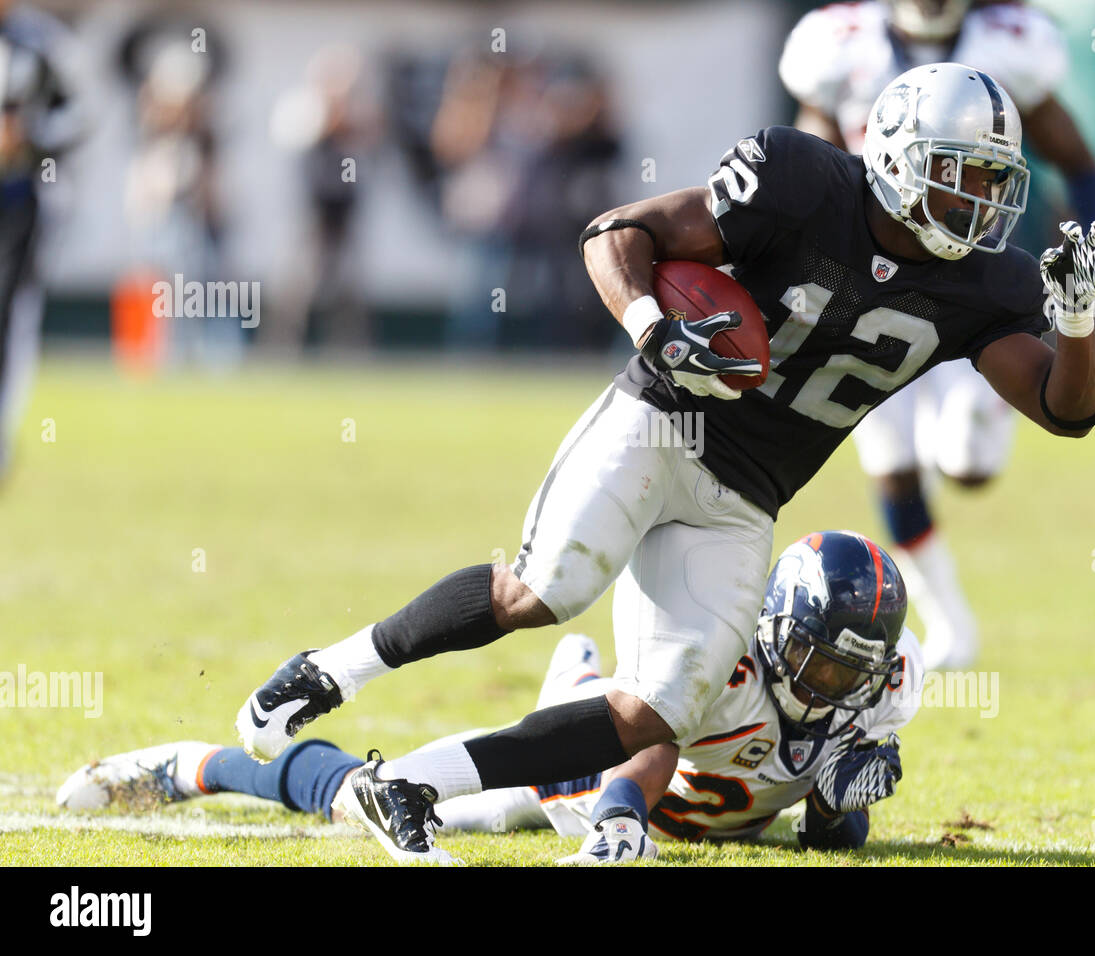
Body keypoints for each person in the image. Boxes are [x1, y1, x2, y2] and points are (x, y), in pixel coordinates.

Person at [232, 61, 1095, 862]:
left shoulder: (986, 282)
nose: (981, 204)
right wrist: (654, 327)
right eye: (961, 177)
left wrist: (1076, 325)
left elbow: (1063, 410)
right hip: (662, 418)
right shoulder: (799, 179)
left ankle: (414, 783)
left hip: (747, 494)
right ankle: (328, 670)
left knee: (655, 711)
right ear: (896, 155)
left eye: (995, 182)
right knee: (543, 589)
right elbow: (618, 233)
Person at [60, 533, 922, 864]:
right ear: (773, 630)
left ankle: (575, 675)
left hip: (684, 795)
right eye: (822, 662)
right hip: (574, 784)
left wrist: (841, 802)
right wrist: (621, 817)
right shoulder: (724, 662)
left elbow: (826, 831)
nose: (834, 687)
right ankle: (192, 766)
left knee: (593, 697)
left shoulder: (886, 684)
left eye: (855, 671)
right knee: (357, 797)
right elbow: (646, 747)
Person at [780, 0, 1095, 668]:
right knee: (892, 465)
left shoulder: (1010, 42)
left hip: (964, 279)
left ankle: (978, 406)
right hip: (863, 280)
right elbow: (808, 159)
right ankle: (951, 623)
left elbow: (1076, 155)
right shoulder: (837, 46)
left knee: (965, 463)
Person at [0, 0, 79, 479]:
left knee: (10, 314)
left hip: (19, 203)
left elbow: (81, 114)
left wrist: (30, 135)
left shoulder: (43, 44)